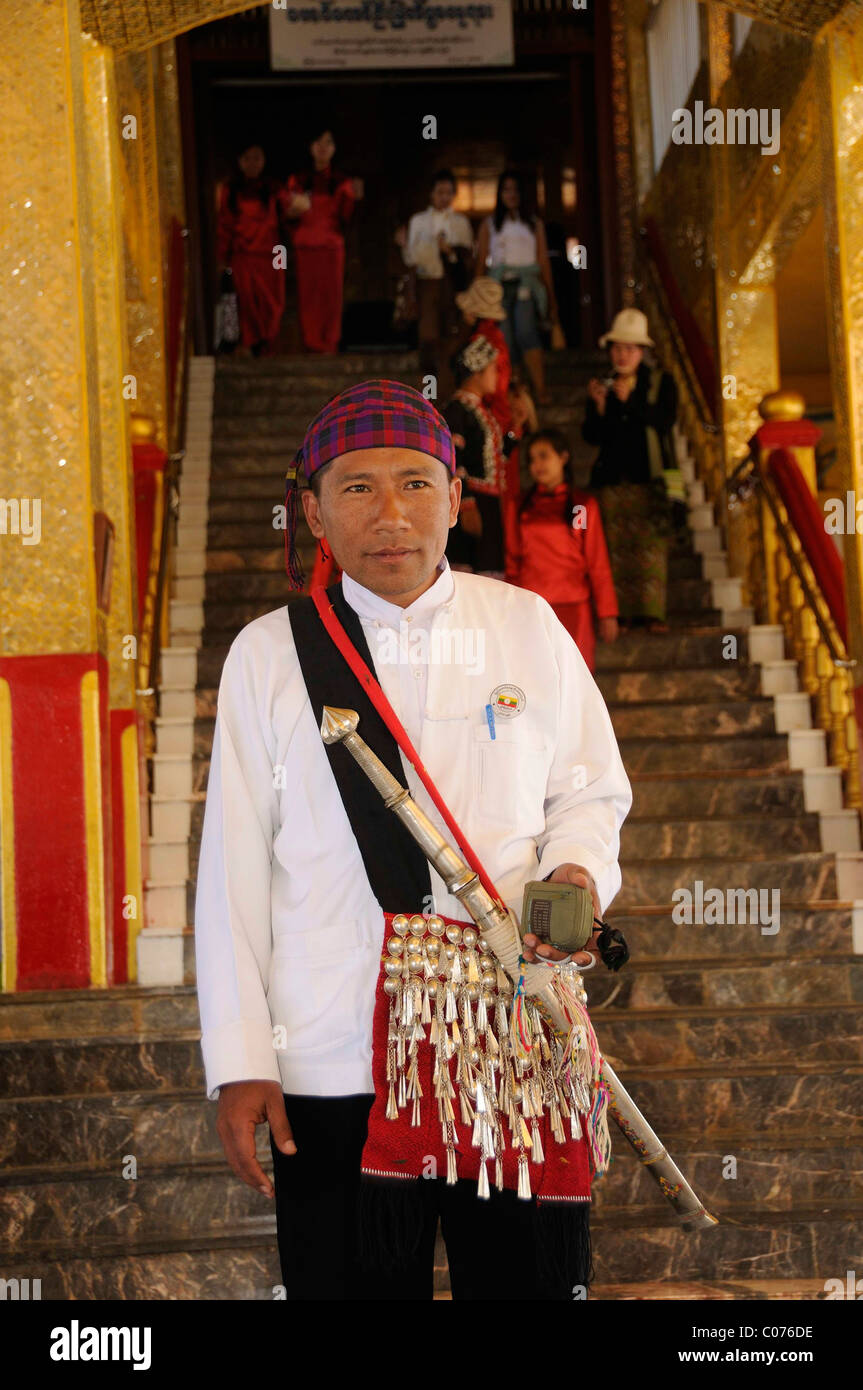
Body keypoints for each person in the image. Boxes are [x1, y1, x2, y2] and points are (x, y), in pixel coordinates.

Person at [194, 379, 632, 1301]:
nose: (389, 514)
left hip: (507, 1034)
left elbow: (589, 791)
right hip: (330, 1050)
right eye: (355, 488)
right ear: (311, 510)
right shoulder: (270, 655)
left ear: (457, 493)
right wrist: (240, 1061)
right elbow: (231, 869)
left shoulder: (525, 625)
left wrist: (574, 875)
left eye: (414, 482)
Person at [582, 308, 683, 633]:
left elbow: (665, 421)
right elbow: (592, 436)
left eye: (629, 348)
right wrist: (600, 407)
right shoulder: (603, 383)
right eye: (617, 348)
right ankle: (621, 615)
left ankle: (653, 615)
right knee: (616, 551)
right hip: (612, 480)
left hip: (649, 478)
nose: (622, 355)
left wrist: (632, 402)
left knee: (650, 550)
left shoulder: (661, 382)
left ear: (642, 352)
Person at [507, 429, 619, 672]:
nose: (537, 464)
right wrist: (510, 608)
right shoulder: (519, 506)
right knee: (536, 679)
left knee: (576, 679)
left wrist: (607, 613)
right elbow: (512, 561)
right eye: (532, 459)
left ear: (564, 458)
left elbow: (597, 562)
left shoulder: (581, 507)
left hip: (574, 607)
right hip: (533, 607)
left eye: (543, 456)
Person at [475, 170, 560, 405]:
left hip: (525, 284)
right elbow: (481, 262)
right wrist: (477, 297)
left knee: (526, 332)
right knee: (505, 339)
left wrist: (551, 298)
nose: (511, 195)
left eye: (515, 190)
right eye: (506, 190)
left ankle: (540, 388)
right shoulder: (490, 224)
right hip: (499, 286)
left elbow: (543, 261)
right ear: (500, 194)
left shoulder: (534, 224)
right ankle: (513, 390)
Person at [396, 170, 473, 402]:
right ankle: (429, 398)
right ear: (431, 194)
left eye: (449, 192)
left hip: (451, 286)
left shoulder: (460, 223)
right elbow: (411, 257)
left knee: (450, 341)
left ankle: (449, 397)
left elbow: (468, 257)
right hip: (426, 283)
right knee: (428, 341)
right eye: (440, 192)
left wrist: (451, 252)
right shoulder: (419, 221)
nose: (444, 197)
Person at [284, 127, 363, 353]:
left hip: (331, 246)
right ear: (310, 147)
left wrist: (357, 199)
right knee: (309, 297)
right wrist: (292, 211)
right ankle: (311, 344)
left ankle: (330, 344)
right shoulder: (297, 180)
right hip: (306, 246)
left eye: (327, 142)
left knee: (331, 297)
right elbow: (287, 215)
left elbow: (349, 218)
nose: (322, 148)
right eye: (318, 142)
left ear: (334, 149)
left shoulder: (342, 182)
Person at [443, 335, 515, 578]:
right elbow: (453, 459)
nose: (497, 376)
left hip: (487, 502)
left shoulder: (479, 409)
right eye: (494, 370)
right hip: (471, 500)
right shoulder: (457, 410)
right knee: (471, 568)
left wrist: (515, 432)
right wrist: (466, 503)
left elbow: (493, 458)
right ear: (477, 372)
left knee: (490, 568)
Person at [216, 143, 290, 356]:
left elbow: (287, 217)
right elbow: (225, 226)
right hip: (243, 254)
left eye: (257, 158)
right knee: (247, 301)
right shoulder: (230, 191)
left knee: (274, 301)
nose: (252, 163)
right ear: (240, 162)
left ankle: (269, 343)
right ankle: (249, 343)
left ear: (264, 161)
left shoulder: (275, 189)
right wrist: (223, 257)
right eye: (247, 158)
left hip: (275, 253)